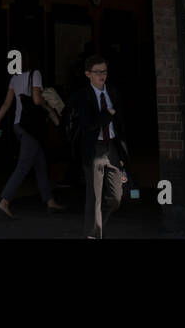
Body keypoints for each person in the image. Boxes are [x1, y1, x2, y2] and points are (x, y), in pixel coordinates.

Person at [0, 54, 67, 218]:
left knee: (40, 165)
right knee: (23, 165)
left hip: (19, 125)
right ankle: (4, 202)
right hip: (31, 127)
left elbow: (6, 104)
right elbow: (37, 100)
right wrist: (49, 106)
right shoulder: (35, 74)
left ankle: (50, 202)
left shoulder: (14, 79)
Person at [70, 55, 132, 238]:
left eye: (104, 71)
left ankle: (95, 226)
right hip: (93, 148)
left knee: (115, 198)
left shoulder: (112, 91)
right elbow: (89, 123)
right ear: (87, 74)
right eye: (97, 72)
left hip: (112, 146)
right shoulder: (82, 96)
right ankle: (93, 234)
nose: (102, 75)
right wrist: (108, 113)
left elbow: (120, 118)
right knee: (94, 197)